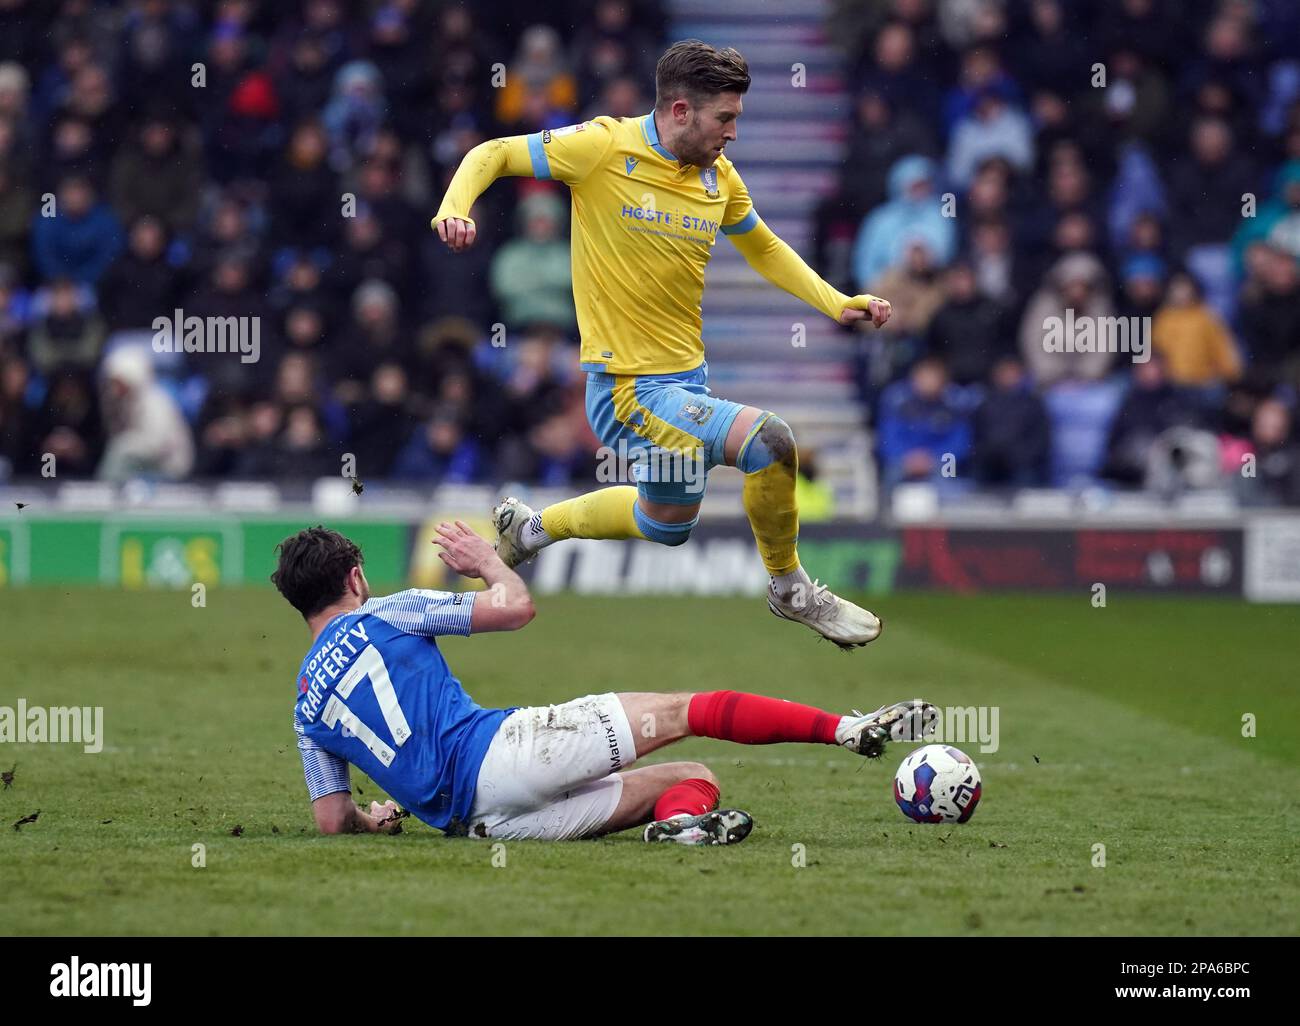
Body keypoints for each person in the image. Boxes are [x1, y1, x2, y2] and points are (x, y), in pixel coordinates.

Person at [431, 40, 893, 649]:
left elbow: (763, 247)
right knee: (770, 441)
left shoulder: (718, 178)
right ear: (680, 111)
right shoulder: (600, 147)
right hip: (628, 390)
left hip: (685, 381)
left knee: (667, 522)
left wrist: (836, 302)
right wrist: (454, 206)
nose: (733, 133)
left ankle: (531, 529)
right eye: (724, 119)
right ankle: (791, 589)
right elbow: (492, 153)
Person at [275, 523, 931, 844]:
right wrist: (486, 564)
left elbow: (333, 820)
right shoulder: (388, 612)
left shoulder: (305, 704)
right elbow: (517, 610)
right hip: (508, 755)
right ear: (355, 581)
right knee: (686, 710)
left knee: (689, 779)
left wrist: (376, 819)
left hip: (482, 826)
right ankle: (847, 728)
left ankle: (675, 832)